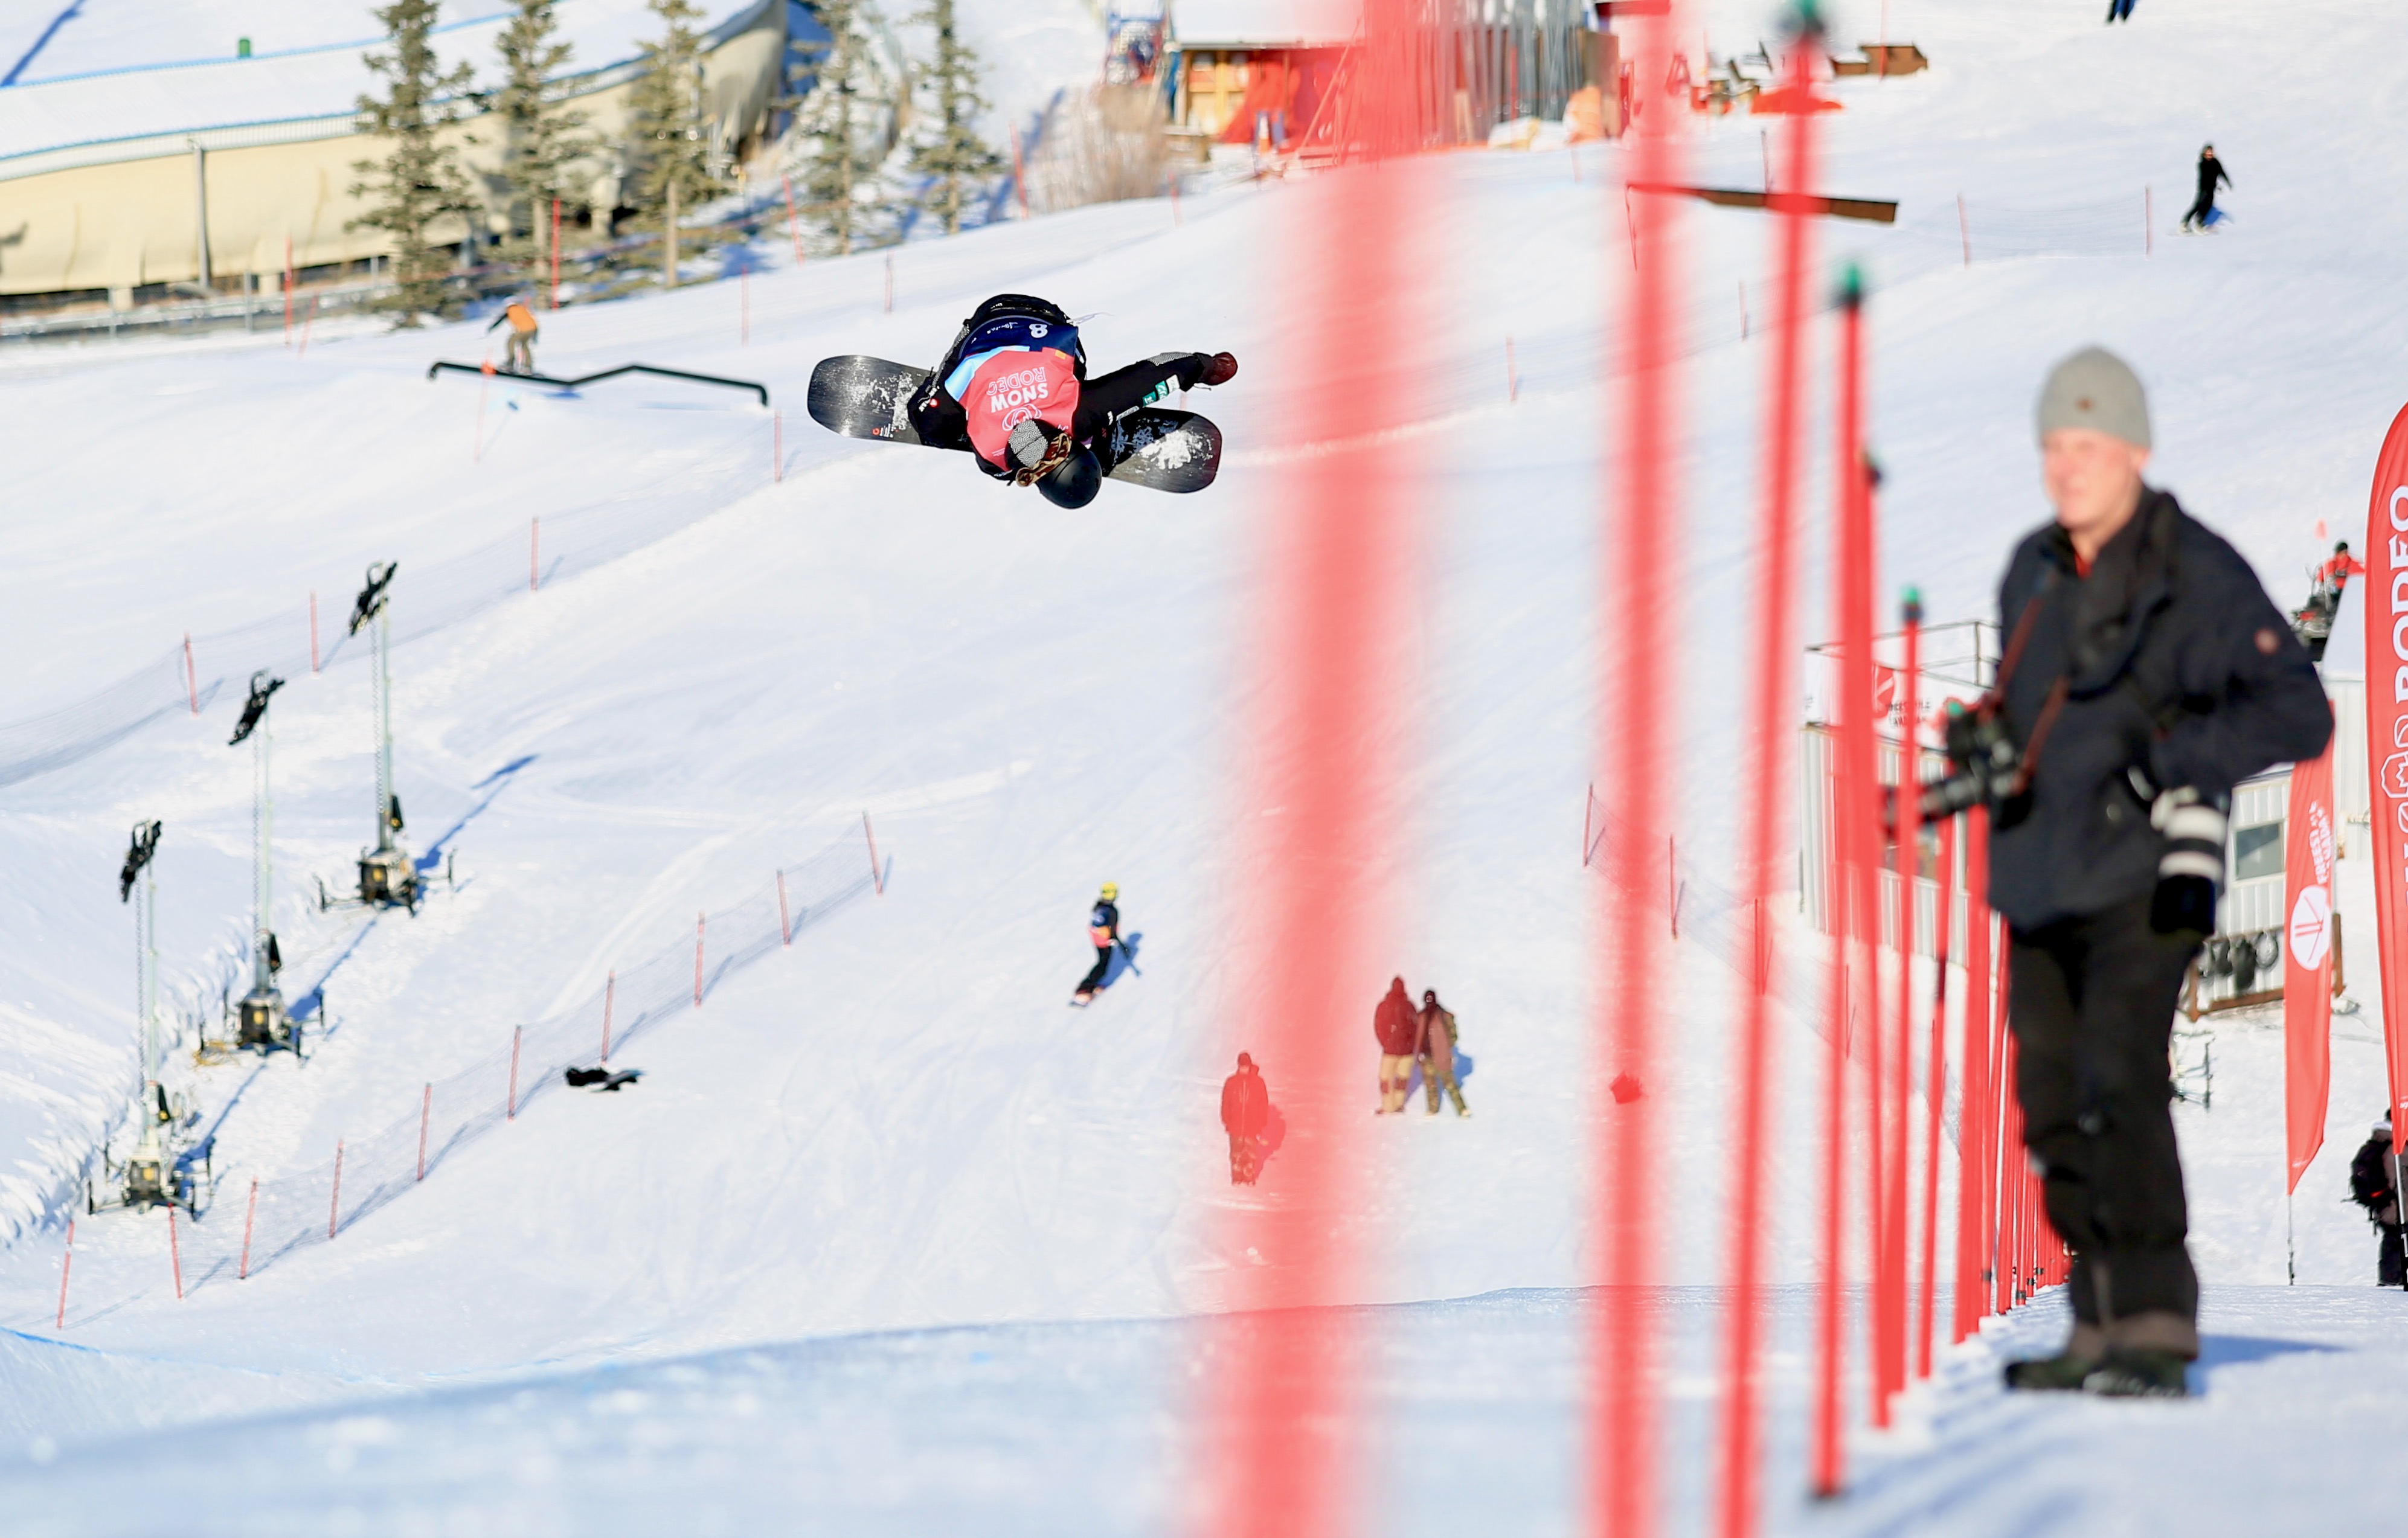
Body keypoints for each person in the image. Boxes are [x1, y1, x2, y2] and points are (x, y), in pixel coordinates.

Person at [1971, 347, 2332, 1399]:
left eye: (2086, 444)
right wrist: (1980, 743)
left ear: (2134, 449)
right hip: (2041, 874)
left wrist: (2164, 762)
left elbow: (2297, 711)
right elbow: (2024, 711)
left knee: (2115, 1075)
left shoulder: (2196, 571)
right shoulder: (2031, 567)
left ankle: (2156, 1322)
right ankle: (2095, 1320)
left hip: (2148, 869)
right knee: (2048, 1102)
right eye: (2052, 444)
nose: (2065, 466)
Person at [907, 293, 1238, 508]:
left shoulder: (1079, 415)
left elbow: (1155, 374)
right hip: (992, 326)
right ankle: (954, 390)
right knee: (929, 421)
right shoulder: (990, 457)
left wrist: (1205, 366)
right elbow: (1154, 375)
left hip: (1028, 320)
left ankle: (1097, 437)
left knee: (933, 420)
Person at [2348, 1115, 2404, 1287]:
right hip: (2397, 1209)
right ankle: (2393, 1285)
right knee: (2398, 1245)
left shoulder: (2382, 1143)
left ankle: (2391, 1283)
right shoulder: (2394, 1147)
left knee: (2395, 1244)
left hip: (2388, 1209)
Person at [1416, 988, 1469, 1117]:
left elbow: (1453, 1035)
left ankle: (1462, 1109)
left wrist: (1445, 1047)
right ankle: (1432, 1109)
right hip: (1427, 1056)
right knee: (1430, 1085)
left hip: (1442, 1056)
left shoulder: (1443, 1016)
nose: (1429, 1002)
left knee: (1450, 1084)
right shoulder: (1421, 1016)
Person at [1221, 1052, 1271, 1185]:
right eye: (1242, 1066)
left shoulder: (1258, 1083)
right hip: (1235, 1124)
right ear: (1238, 1066)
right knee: (1236, 1153)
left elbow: (1263, 1103)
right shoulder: (1231, 1082)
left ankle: (1249, 1177)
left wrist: (1262, 1121)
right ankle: (1237, 1177)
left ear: (1249, 1066)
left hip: (1252, 1125)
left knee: (1250, 1153)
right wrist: (1226, 1119)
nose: (1244, 1068)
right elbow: (1226, 1102)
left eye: (1246, 1066)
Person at [1373, 976, 1419, 1113]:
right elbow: (1416, 1027)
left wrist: (1385, 1042)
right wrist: (1411, 1044)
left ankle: (1388, 1106)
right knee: (1402, 1079)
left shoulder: (1384, 1005)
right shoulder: (1409, 1005)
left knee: (1385, 1079)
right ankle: (1399, 1104)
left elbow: (1378, 1026)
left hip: (1390, 1050)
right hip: (1406, 1051)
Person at [1070, 882, 1120, 1007]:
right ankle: (1084, 988)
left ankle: (1090, 985)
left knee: (1102, 964)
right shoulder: (1109, 910)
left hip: (1099, 940)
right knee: (1102, 966)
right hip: (1104, 941)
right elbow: (1103, 926)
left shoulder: (1100, 907)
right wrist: (1111, 938)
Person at [2180, 146, 2230, 232]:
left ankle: (2199, 223)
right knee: (2198, 205)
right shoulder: (2202, 163)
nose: (2209, 154)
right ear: (2204, 153)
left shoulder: (2216, 162)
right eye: (2208, 152)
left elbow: (2221, 172)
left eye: (2211, 152)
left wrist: (2228, 182)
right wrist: (2216, 186)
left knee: (2208, 206)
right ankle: (2185, 223)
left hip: (2211, 189)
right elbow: (2206, 177)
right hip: (2203, 189)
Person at [486, 296, 540, 375]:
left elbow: (500, 320)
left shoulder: (510, 310)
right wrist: (536, 334)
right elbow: (532, 319)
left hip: (522, 330)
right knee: (524, 345)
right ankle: (528, 366)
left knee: (510, 343)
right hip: (532, 329)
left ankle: (510, 364)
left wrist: (492, 327)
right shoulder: (522, 308)